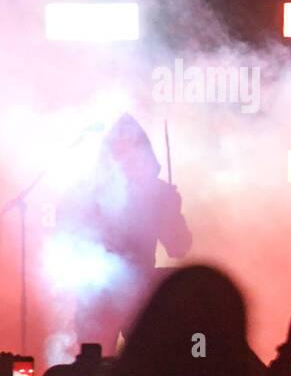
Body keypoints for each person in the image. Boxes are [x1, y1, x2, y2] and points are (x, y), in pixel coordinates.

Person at [55, 114, 192, 350]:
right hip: (98, 294)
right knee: (93, 364)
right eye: (117, 150)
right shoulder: (88, 191)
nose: (123, 158)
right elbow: (65, 229)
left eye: (130, 150)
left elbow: (179, 247)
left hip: (141, 296)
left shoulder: (159, 194)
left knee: (144, 366)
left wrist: (171, 214)